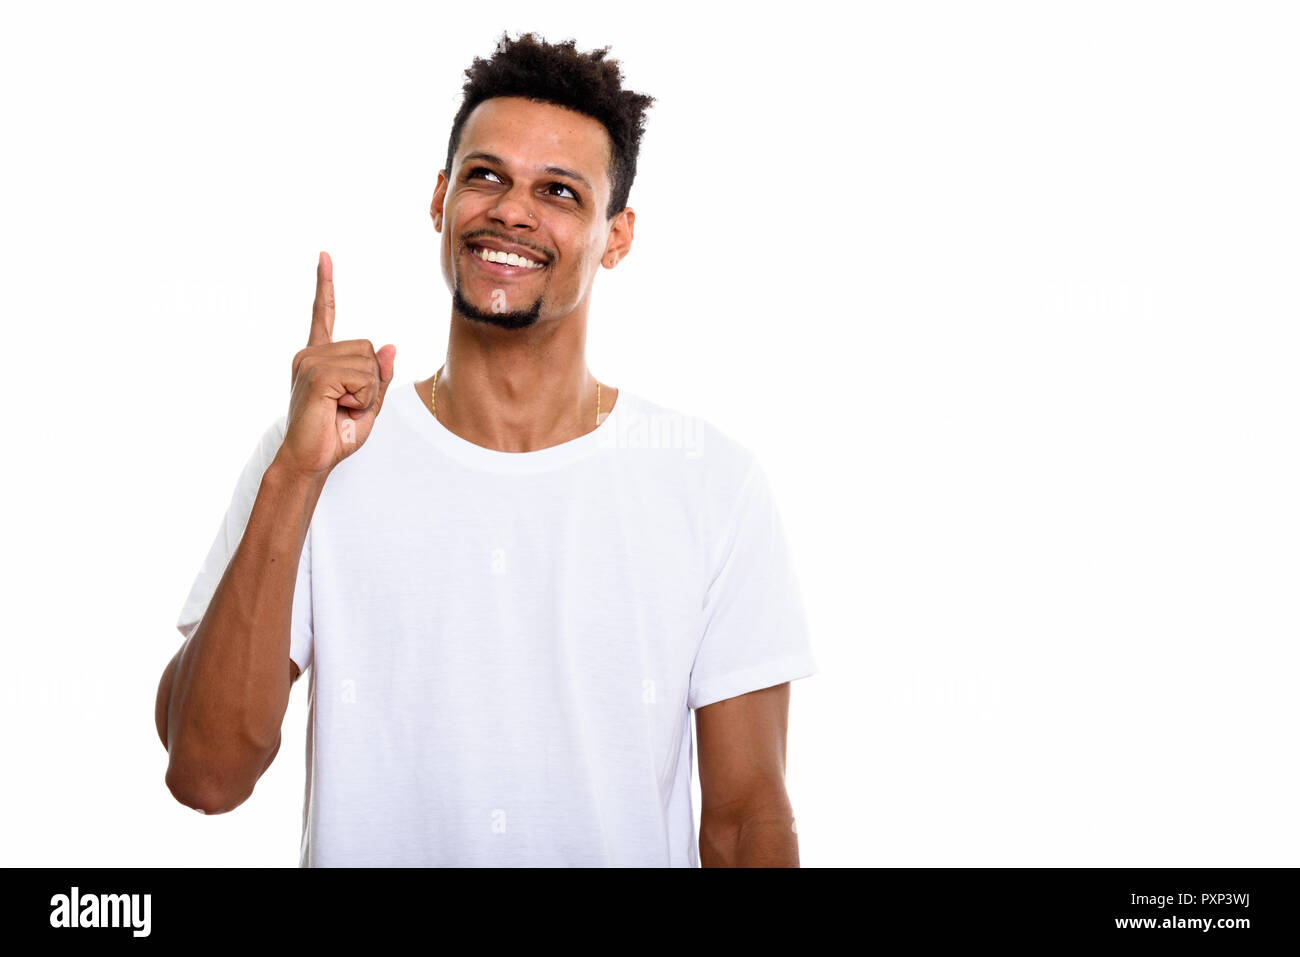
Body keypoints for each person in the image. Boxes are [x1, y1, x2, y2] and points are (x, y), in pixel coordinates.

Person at [156, 31, 817, 867]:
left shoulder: (711, 484)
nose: (511, 210)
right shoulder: (317, 447)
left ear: (616, 236)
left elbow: (746, 819)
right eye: (486, 176)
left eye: (560, 192)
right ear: (439, 199)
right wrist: (295, 476)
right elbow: (207, 774)